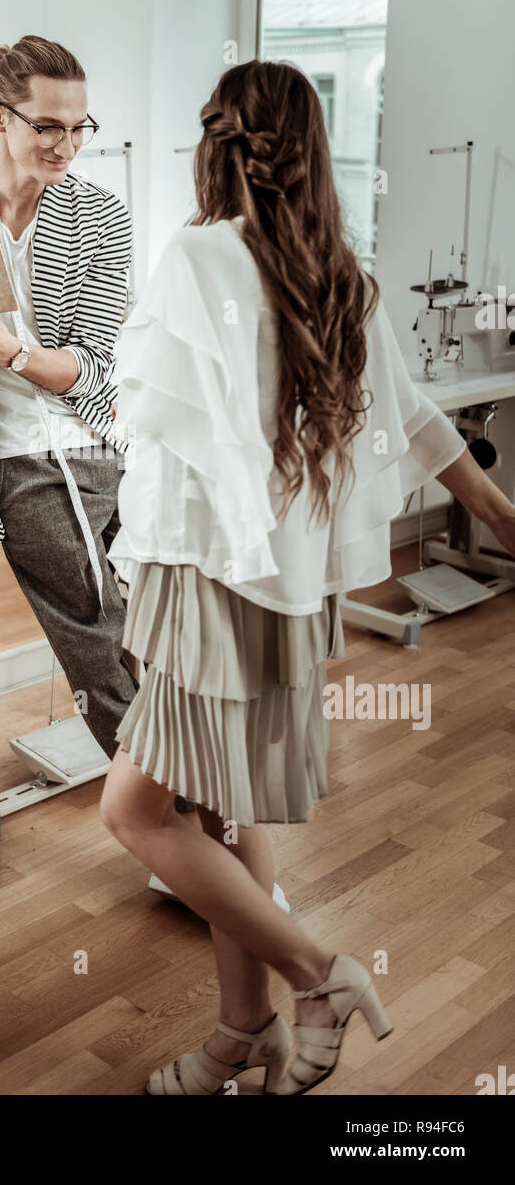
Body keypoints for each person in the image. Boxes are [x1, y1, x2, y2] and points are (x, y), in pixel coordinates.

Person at [99, 59, 515, 1096]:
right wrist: (504, 515)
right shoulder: (342, 274)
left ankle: (316, 979)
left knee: (135, 812)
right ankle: (242, 1037)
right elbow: (415, 421)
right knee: (225, 811)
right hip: (288, 589)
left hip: (208, 580)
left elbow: (140, 408)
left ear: (215, 147)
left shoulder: (196, 256)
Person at [0, 35, 290, 909]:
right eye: (45, 126)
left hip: (104, 449)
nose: (62, 145)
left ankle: (212, 852)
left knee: (158, 648)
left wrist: (15, 352)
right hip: (10, 465)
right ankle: (215, 866)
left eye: (78, 127)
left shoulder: (97, 213)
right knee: (103, 649)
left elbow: (100, 369)